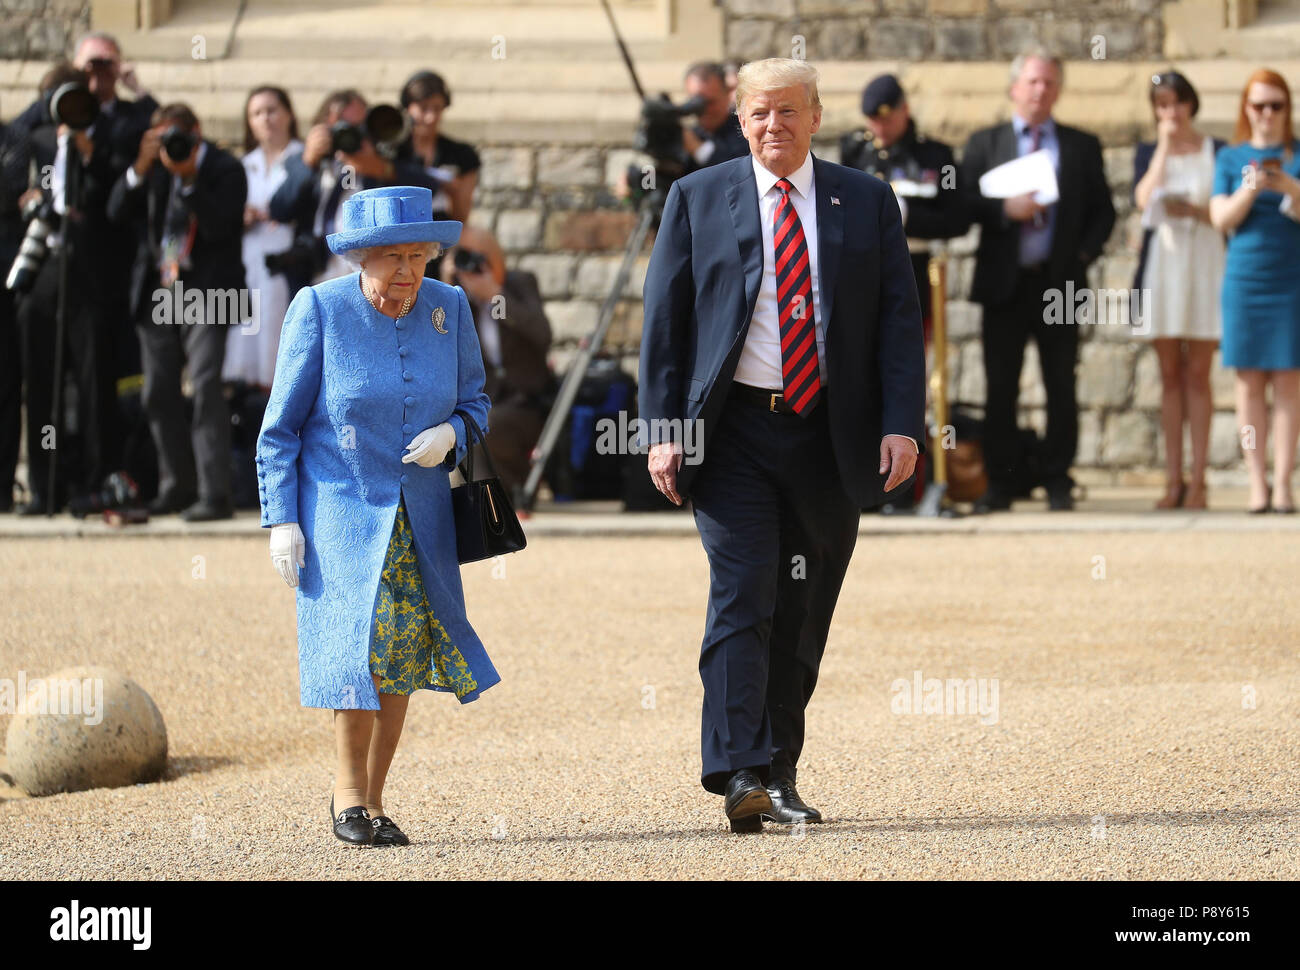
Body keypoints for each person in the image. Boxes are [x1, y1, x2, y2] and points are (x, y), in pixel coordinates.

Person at [639, 58, 926, 832]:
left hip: (831, 434)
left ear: (816, 116)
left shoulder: (864, 200)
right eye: (759, 113)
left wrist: (903, 423)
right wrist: (664, 430)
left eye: (789, 112)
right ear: (740, 121)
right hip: (731, 431)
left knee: (804, 603)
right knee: (743, 593)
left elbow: (901, 317)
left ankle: (780, 770)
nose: (775, 126)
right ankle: (738, 773)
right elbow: (664, 322)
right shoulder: (698, 198)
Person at [256, 185, 497, 847]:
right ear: (359, 257)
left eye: (420, 256)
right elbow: (278, 431)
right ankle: (346, 796)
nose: (408, 273)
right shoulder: (319, 309)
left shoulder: (449, 307)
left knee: (401, 658)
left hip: (422, 520)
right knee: (355, 652)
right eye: (392, 257)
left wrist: (452, 432)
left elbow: (476, 404)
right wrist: (282, 518)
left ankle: (376, 800)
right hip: (340, 515)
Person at [960, 48, 1116, 512]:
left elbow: (1104, 211)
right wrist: (1004, 210)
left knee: (1060, 384)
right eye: (1033, 82)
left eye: (1049, 82)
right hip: (1005, 282)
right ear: (1014, 88)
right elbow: (964, 201)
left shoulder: (1081, 145)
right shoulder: (985, 143)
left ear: (1058, 90)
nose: (1040, 90)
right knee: (1001, 385)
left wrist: (1082, 253)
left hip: (1060, 284)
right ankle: (1002, 481)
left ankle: (1057, 477)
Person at [107, 102, 248, 521]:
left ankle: (214, 493)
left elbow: (223, 226)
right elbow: (115, 212)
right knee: (157, 391)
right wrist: (140, 167)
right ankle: (176, 486)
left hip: (210, 292)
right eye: (164, 139)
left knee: (204, 387)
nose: (173, 147)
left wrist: (188, 179)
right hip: (159, 291)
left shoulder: (226, 168)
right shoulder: (151, 169)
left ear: (197, 132)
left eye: (178, 137)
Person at [841, 72, 969, 512]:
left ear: (903, 110)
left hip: (913, 273)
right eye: (872, 120)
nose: (880, 128)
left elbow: (957, 219)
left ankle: (912, 484)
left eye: (886, 117)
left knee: (911, 375)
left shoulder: (934, 155)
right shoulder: (855, 151)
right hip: (860, 276)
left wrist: (908, 215)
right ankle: (870, 482)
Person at [1132, 70, 1224, 510]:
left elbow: (1225, 210)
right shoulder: (1150, 151)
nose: (1171, 111)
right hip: (1165, 266)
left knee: (1198, 375)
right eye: (1162, 104)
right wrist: (1165, 146)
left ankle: (1200, 479)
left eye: (1177, 102)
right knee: (1170, 375)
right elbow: (1142, 198)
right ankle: (1172, 478)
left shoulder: (1216, 149)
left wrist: (1196, 210)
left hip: (1205, 260)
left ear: (1190, 102)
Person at [1209, 69, 1300, 514]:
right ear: (1246, 109)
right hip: (1245, 279)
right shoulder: (1230, 159)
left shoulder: (1298, 155)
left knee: (1288, 381)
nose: (1267, 114)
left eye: (1276, 105)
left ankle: (1283, 483)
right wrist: (1249, 190)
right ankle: (1257, 483)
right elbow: (1220, 219)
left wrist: (1292, 190)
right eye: (1259, 105)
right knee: (1248, 385)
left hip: (1292, 278)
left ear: (1288, 109)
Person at [269, 89, 444, 284]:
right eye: (342, 126)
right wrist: (308, 162)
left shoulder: (381, 161)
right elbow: (278, 210)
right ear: (324, 126)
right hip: (315, 277)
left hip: (373, 279)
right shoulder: (304, 162)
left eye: (359, 127)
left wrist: (379, 168)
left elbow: (429, 188)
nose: (350, 134)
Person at [446, 224, 552, 496]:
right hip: (485, 403)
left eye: (477, 258)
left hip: (528, 404)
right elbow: (441, 343)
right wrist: (448, 286)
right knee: (469, 426)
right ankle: (488, 504)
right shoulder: (457, 300)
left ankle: (495, 501)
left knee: (484, 427)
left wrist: (495, 296)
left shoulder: (519, 284)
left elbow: (542, 335)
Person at [223, 86, 303, 390]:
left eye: (272, 110)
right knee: (248, 347)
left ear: (288, 114)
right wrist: (239, 216)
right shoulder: (243, 166)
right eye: (257, 113)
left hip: (289, 265)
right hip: (249, 264)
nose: (265, 119)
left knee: (282, 347)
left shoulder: (304, 159)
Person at [681, 61, 750, 173]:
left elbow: (738, 170)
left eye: (710, 102)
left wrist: (698, 149)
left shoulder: (745, 130)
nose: (704, 110)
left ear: (726, 94)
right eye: (696, 103)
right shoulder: (690, 134)